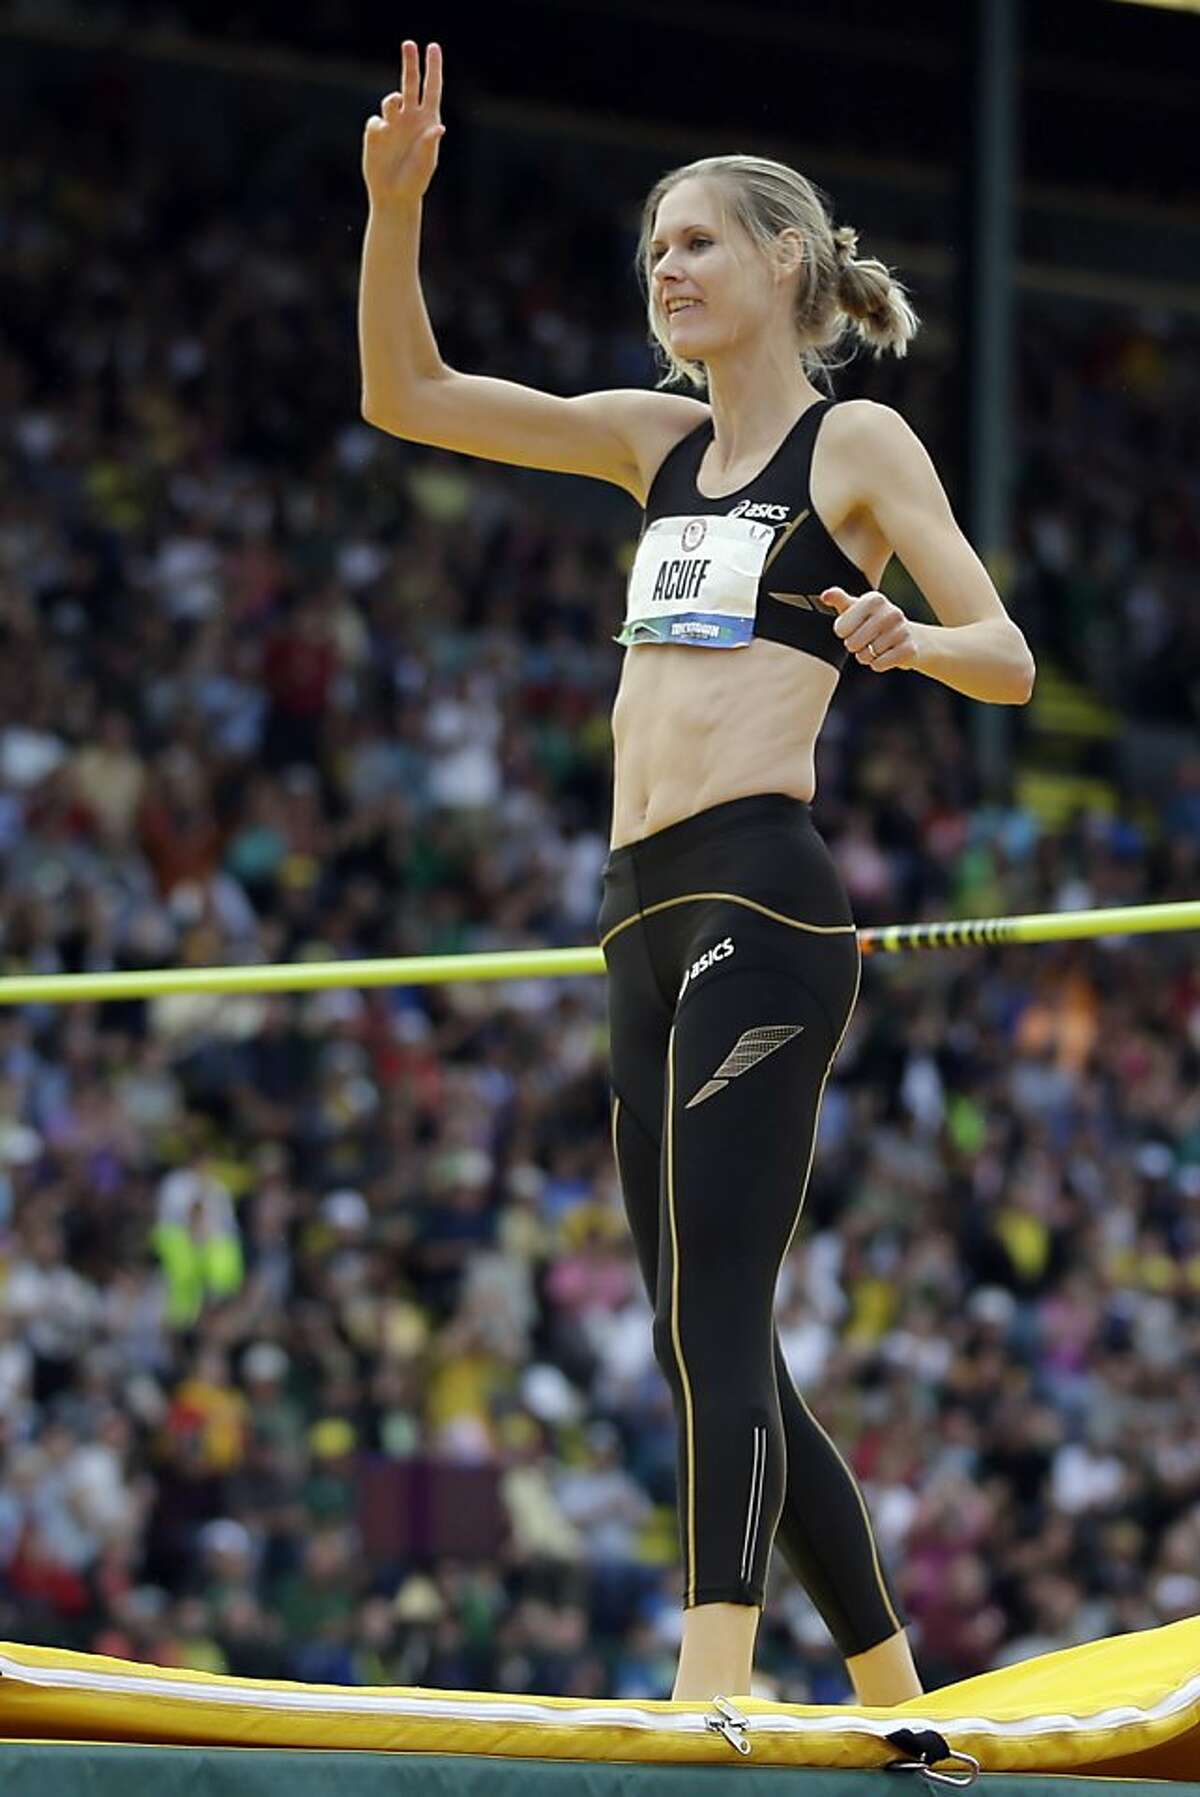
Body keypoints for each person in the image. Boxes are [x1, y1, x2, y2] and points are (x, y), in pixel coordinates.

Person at [358, 41, 1034, 1706]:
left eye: (699, 243)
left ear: (784, 262)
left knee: (717, 1303)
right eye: (654, 247)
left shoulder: (857, 441)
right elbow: (408, 396)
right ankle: (895, 1701)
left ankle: (709, 1681)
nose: (666, 267)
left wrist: (908, 637)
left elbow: (1009, 653)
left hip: (760, 896)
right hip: (633, 914)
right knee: (697, 1338)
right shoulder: (650, 444)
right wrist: (392, 215)